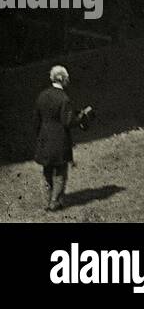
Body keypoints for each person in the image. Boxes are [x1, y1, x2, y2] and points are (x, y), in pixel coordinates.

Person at [33, 65, 92, 212]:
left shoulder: (42, 95)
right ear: (62, 79)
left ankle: (48, 200)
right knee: (60, 172)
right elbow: (68, 122)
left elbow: (36, 119)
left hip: (44, 139)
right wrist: (81, 117)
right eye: (67, 78)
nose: (68, 81)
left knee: (47, 171)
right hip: (60, 140)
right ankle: (55, 202)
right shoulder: (64, 98)